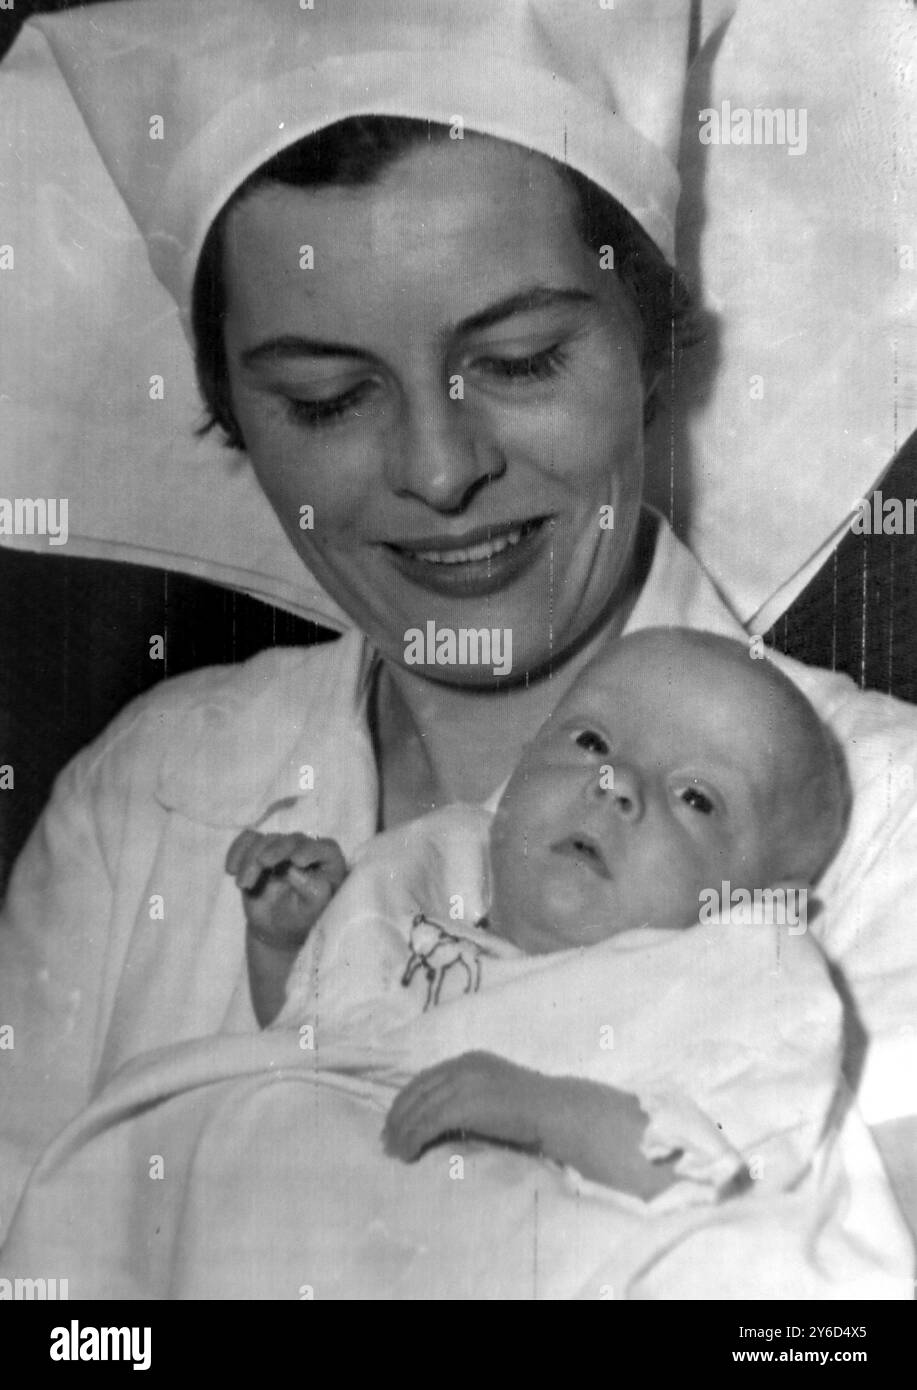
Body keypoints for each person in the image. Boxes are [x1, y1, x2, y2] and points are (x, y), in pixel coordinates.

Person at [1, 2, 916, 1287]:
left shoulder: (887, 832)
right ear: (231, 417)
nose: (438, 472)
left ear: (651, 348)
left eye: (523, 360)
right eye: (327, 397)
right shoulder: (139, 803)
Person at [228, 627, 849, 1201]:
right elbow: (312, 1044)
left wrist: (545, 1112)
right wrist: (288, 944)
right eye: (591, 742)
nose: (615, 781)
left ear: (763, 902)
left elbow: (722, 1176)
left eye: (695, 797)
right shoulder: (422, 886)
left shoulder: (711, 986)